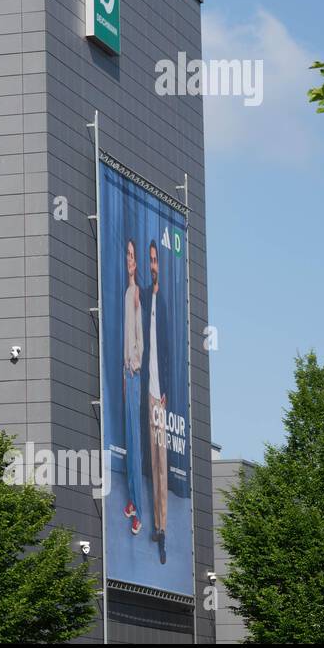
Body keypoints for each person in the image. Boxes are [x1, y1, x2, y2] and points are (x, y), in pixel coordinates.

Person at [140, 240, 171, 564]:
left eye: (154, 260)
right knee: (153, 462)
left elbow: (168, 350)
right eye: (149, 260)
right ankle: (157, 525)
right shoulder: (145, 296)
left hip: (160, 394)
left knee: (163, 464)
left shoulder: (162, 303)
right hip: (147, 391)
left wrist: (168, 393)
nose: (151, 265)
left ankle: (163, 526)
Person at [122, 239, 144, 536]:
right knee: (129, 443)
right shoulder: (128, 292)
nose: (129, 259)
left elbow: (139, 337)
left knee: (135, 446)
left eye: (132, 255)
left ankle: (137, 512)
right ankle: (131, 501)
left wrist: (133, 364)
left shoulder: (136, 293)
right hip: (128, 373)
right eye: (126, 254)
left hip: (134, 373)